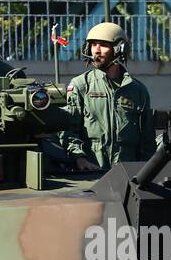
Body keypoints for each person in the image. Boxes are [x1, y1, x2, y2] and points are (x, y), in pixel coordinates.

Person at [63, 22, 154, 173]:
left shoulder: (137, 90)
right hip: (91, 171)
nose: (96, 50)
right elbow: (68, 129)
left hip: (127, 172)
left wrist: (145, 170)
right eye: (93, 45)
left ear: (119, 49)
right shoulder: (80, 85)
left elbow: (147, 138)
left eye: (103, 45)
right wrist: (79, 157)